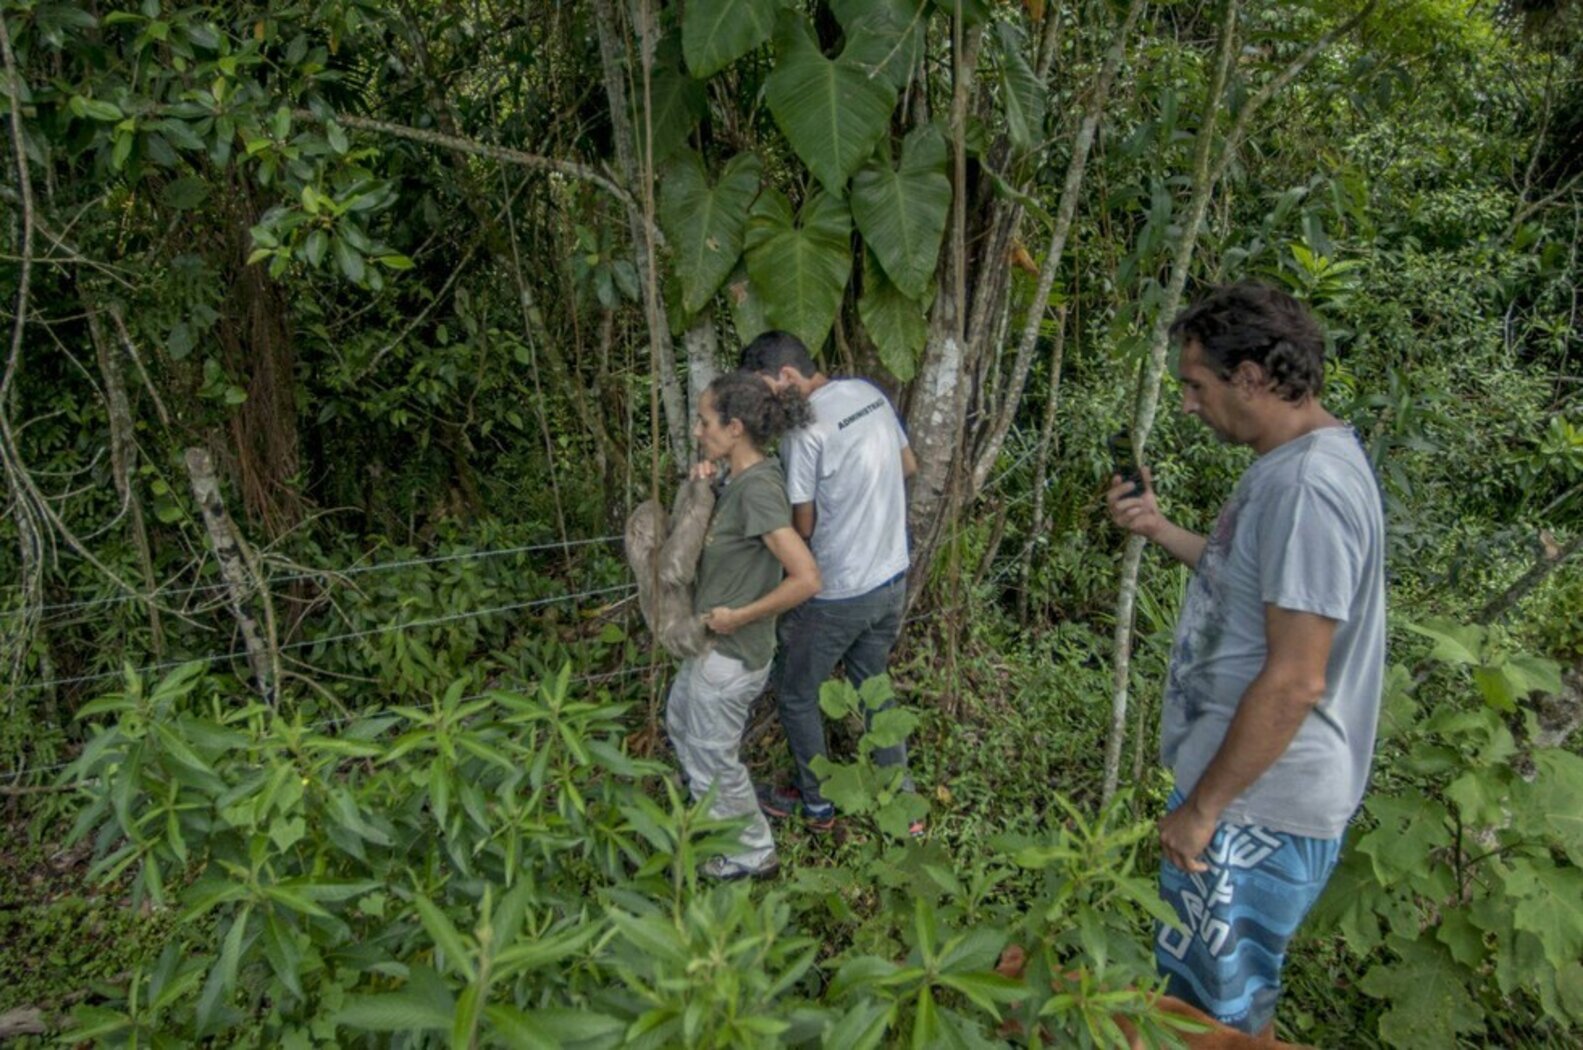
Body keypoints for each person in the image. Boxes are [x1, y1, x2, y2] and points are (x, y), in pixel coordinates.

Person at [1106, 282, 1386, 1037]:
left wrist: (1203, 809)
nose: (1188, 405)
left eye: (1197, 385)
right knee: (1219, 1000)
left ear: (1252, 378)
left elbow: (1295, 678)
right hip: (1251, 792)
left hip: (1258, 802)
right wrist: (1159, 529)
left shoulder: (1307, 488)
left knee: (1212, 1019)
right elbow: (1254, 584)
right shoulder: (1297, 464)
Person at [741, 331, 920, 833]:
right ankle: (902, 804)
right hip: (891, 577)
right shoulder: (868, 393)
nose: (764, 404)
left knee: (796, 693)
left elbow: (803, 526)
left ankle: (817, 804)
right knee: (874, 687)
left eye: (765, 390)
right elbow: (908, 465)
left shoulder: (804, 430)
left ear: (787, 377)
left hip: (840, 590)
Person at [668, 370, 821, 880]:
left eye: (705, 421)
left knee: (713, 756)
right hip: (711, 644)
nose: (698, 431)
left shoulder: (758, 490)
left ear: (735, 429)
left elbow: (806, 578)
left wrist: (741, 616)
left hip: (732, 652)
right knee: (682, 724)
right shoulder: (741, 478)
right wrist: (705, 489)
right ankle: (715, 825)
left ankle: (752, 853)